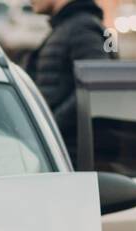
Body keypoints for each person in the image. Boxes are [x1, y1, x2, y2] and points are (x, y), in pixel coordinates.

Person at [25, 0, 116, 162]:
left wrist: (48, 127)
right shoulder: (68, 27)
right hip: (60, 152)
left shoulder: (83, 28)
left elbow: (97, 86)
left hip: (72, 157)